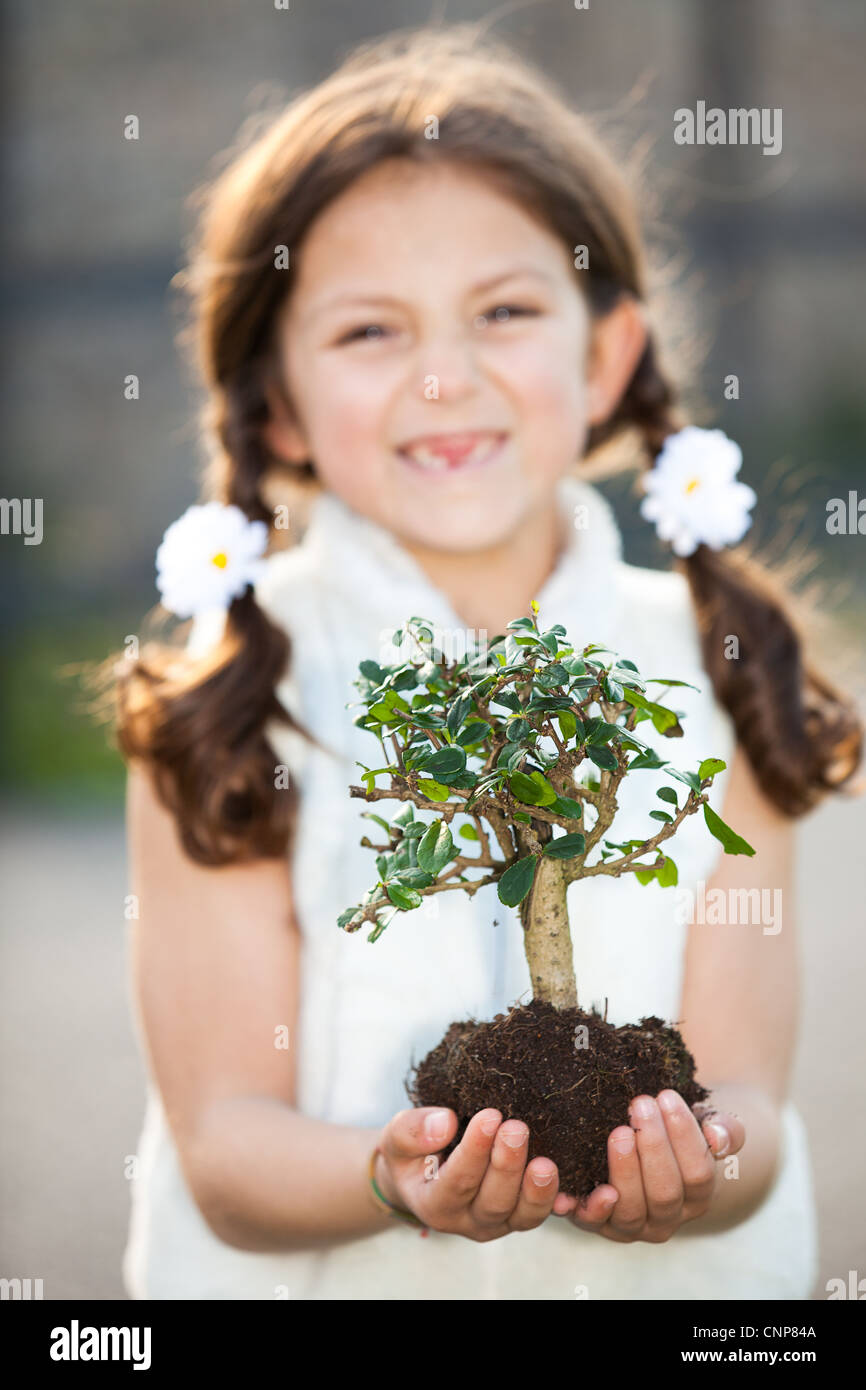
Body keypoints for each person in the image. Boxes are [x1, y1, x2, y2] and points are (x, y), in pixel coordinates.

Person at [115, 24, 861, 1300]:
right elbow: (222, 1149)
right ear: (278, 402)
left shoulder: (709, 672)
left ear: (604, 355)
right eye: (368, 332)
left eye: (505, 310)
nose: (444, 378)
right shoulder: (236, 699)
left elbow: (748, 1106)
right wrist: (392, 1172)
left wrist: (693, 1165)